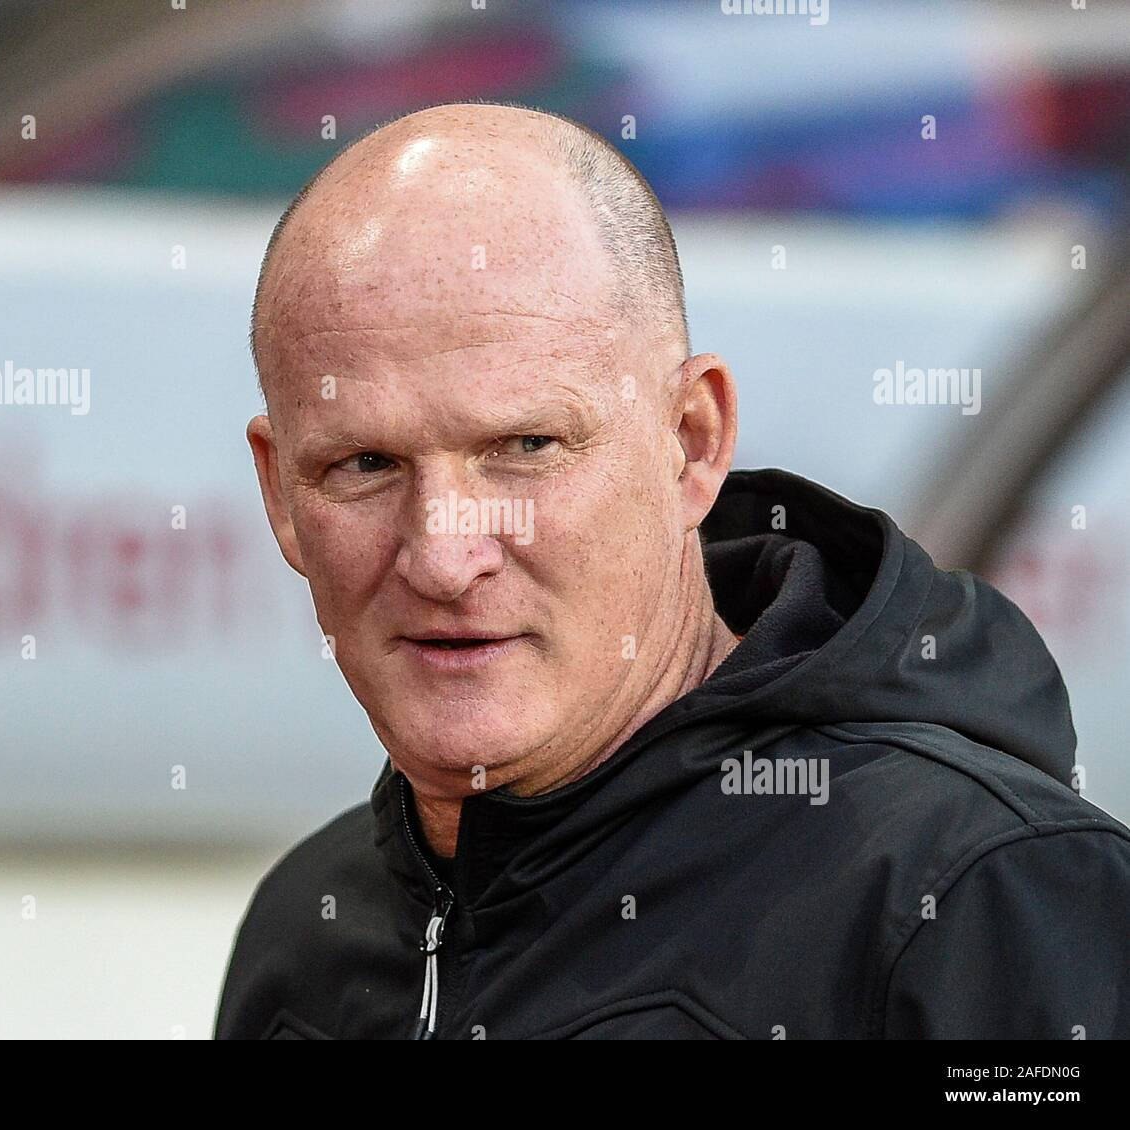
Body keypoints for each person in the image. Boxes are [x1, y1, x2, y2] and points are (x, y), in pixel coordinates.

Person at [215, 101, 1130, 1040]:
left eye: (526, 446)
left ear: (692, 445)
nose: (445, 557)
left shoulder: (985, 900)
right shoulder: (303, 937)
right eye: (365, 465)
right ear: (281, 493)